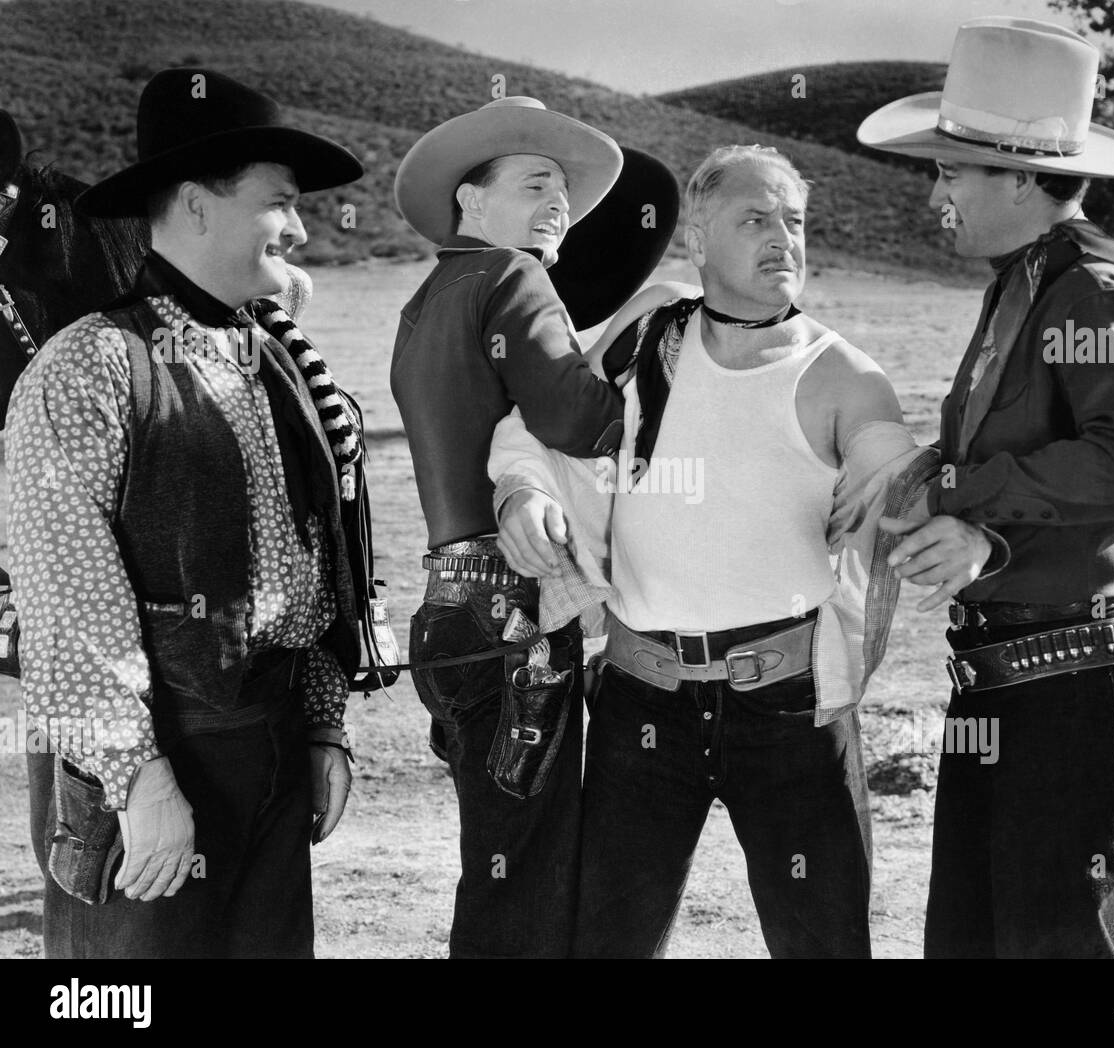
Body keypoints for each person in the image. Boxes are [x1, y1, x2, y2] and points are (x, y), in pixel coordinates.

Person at [491, 144, 1001, 958]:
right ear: (699, 239)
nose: (783, 239)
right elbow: (540, 430)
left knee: (825, 944)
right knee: (604, 943)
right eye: (756, 219)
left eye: (794, 222)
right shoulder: (652, 326)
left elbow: (900, 483)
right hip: (639, 701)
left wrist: (950, 512)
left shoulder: (845, 376)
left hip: (790, 711)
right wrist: (525, 493)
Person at [8, 67, 365, 958]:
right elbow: (66, 594)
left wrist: (320, 721)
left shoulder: (276, 361)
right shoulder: (89, 364)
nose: (301, 229)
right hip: (153, 758)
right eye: (280, 202)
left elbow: (315, 562)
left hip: (269, 743)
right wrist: (137, 781)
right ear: (198, 205)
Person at [857, 16, 1114, 957]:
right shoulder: (1025, 281)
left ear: (1019, 175)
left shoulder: (1088, 286)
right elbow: (1045, 474)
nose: (937, 192)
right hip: (1011, 689)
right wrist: (967, 515)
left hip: (1075, 699)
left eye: (952, 171)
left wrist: (971, 491)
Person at [391, 98, 676, 958]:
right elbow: (581, 422)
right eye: (534, 184)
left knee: (499, 857)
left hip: (447, 611)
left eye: (563, 190)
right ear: (472, 204)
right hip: (517, 614)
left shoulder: (427, 298)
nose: (558, 204)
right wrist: (640, 319)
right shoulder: (516, 278)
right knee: (526, 868)